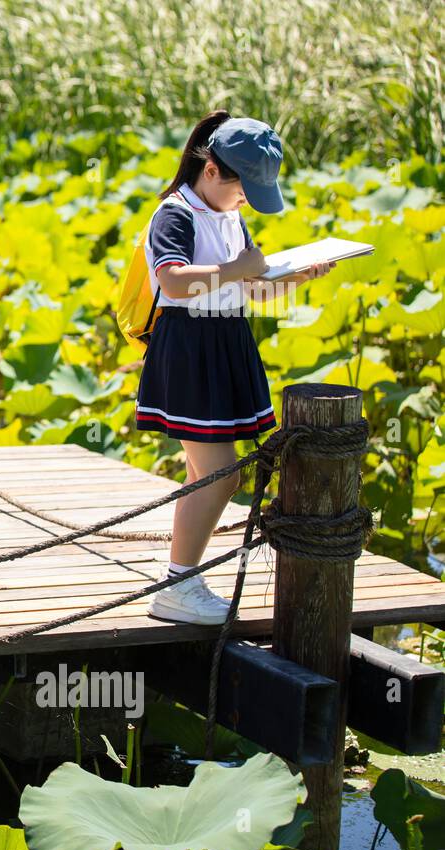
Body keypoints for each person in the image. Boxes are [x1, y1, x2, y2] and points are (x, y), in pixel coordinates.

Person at [137, 111, 333, 625]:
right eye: (244, 189)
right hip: (189, 349)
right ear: (212, 171)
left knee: (206, 473)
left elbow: (247, 287)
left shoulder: (229, 215)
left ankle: (181, 578)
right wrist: (238, 269)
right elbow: (176, 284)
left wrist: (297, 276)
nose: (247, 200)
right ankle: (178, 583)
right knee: (222, 476)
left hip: (226, 341)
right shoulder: (174, 214)